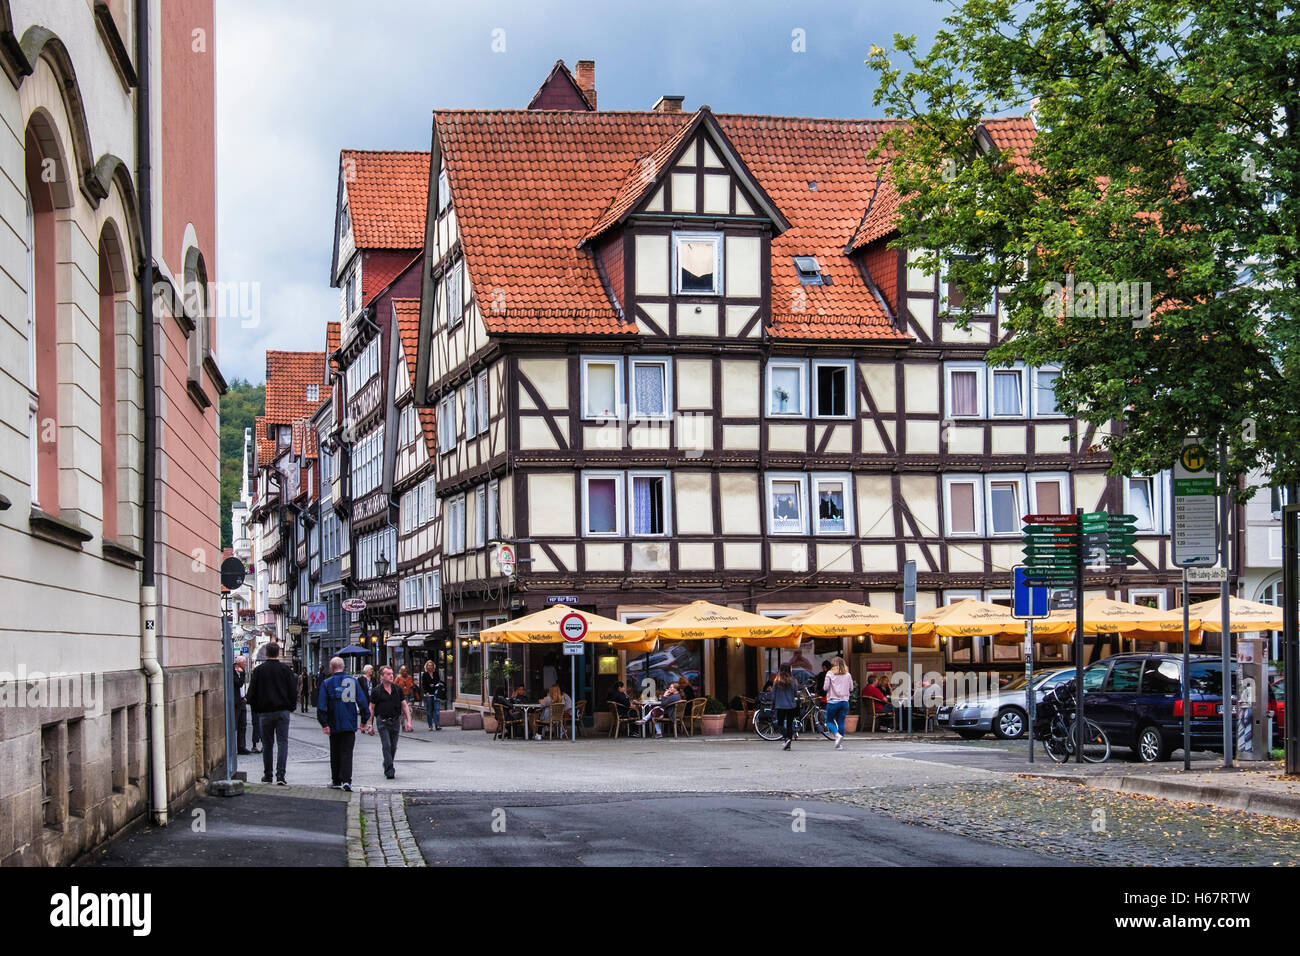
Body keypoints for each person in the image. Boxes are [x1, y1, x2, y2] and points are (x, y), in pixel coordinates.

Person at [245, 643, 298, 784]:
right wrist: (291, 707)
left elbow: (252, 693)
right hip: (282, 711)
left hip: (265, 713)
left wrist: (256, 709)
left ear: (266, 653)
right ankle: (281, 775)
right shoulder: (285, 670)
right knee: (282, 743)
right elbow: (293, 691)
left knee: (267, 745)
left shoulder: (259, 670)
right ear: (278, 653)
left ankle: (268, 775)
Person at [317, 656, 370, 791]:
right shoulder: (352, 682)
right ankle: (347, 780)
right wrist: (364, 720)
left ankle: (336, 780)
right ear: (343, 667)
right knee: (347, 752)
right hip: (349, 721)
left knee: (335, 752)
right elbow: (362, 701)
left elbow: (321, 705)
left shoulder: (327, 683)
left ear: (331, 668)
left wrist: (324, 723)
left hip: (333, 721)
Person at [369, 665, 413, 779]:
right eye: (388, 674)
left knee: (393, 746)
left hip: (395, 721)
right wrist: (369, 724)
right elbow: (371, 708)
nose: (391, 676)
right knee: (386, 745)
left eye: (392, 673)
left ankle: (387, 762)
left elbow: (404, 705)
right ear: (382, 676)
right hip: (382, 721)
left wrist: (409, 721)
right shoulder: (376, 691)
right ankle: (389, 770)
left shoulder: (397, 689)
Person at [824, 656, 854, 749]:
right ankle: (839, 743)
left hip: (833, 702)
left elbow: (825, 688)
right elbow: (851, 688)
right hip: (844, 702)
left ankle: (837, 735)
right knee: (840, 721)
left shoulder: (830, 674)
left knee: (829, 721)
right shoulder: (848, 675)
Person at [772, 663, 799, 751]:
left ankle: (786, 738)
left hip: (780, 706)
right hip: (791, 706)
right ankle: (788, 743)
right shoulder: (793, 680)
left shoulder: (777, 680)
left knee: (779, 724)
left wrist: (773, 704)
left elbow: (773, 694)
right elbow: (795, 693)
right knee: (789, 725)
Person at [233, 656, 251, 754]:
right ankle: (233, 746)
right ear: (239, 663)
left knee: (243, 725)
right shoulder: (233, 671)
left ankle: (241, 746)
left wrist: (244, 696)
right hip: (235, 702)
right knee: (235, 725)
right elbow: (239, 683)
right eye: (244, 663)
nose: (246, 665)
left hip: (242, 700)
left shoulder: (241, 671)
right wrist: (242, 674)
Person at [420, 661, 443, 730]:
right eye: (428, 665)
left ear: (433, 666)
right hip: (428, 694)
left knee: (437, 710)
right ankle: (430, 726)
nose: (430, 667)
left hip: (436, 694)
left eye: (431, 665)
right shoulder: (425, 674)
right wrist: (426, 692)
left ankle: (437, 725)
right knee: (429, 711)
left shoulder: (436, 673)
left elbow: (438, 682)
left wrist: (437, 688)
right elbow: (423, 684)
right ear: (426, 667)